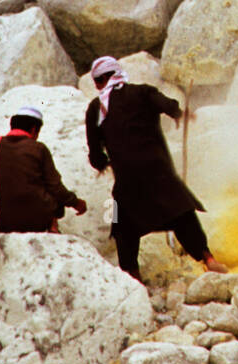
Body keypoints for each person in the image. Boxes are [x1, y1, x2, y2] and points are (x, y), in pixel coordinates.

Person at [85, 56, 226, 281]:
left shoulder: (96, 108)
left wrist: (104, 164)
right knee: (182, 213)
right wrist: (181, 115)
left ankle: (132, 275)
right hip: (159, 172)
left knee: (123, 228)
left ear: (100, 82)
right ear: (118, 74)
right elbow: (168, 105)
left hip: (127, 180)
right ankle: (208, 258)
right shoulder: (142, 92)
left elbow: (94, 152)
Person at [0, 106, 88, 233]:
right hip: (36, 218)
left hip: (4, 218)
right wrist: (76, 203)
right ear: (33, 129)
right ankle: (52, 227)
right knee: (56, 200)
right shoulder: (38, 148)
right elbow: (55, 186)